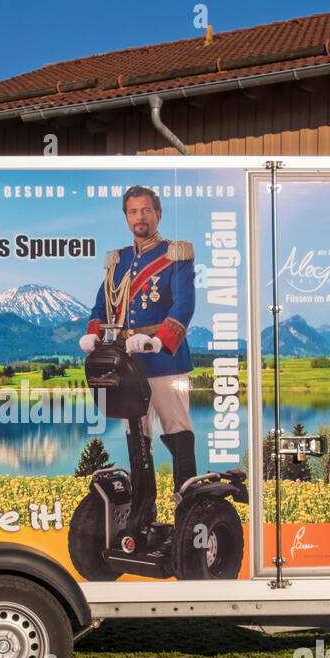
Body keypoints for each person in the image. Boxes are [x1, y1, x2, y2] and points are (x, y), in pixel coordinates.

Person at [80, 185, 197, 515]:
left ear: (158, 214)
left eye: (146, 210)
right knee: (137, 438)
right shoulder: (118, 260)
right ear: (126, 218)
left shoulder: (176, 254)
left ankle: (187, 507)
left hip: (164, 362)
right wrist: (93, 334)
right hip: (126, 363)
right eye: (133, 212)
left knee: (177, 433)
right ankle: (144, 509)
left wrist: (159, 340)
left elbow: (184, 305)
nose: (140, 217)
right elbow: (101, 305)